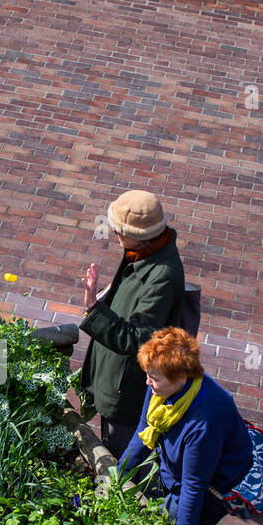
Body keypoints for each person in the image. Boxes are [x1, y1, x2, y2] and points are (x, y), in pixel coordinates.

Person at [118, 327, 253, 525]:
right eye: (147, 374)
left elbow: (193, 486)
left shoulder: (204, 422)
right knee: (177, 519)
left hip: (212, 488)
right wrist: (118, 476)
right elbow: (143, 433)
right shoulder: (162, 389)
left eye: (154, 378)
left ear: (181, 377)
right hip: (185, 475)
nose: (147, 383)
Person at [79, 189, 185, 459]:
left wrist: (94, 308)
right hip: (115, 377)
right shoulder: (143, 252)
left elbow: (138, 340)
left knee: (119, 458)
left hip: (126, 388)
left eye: (117, 232)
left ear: (136, 236)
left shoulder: (162, 274)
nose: (115, 236)